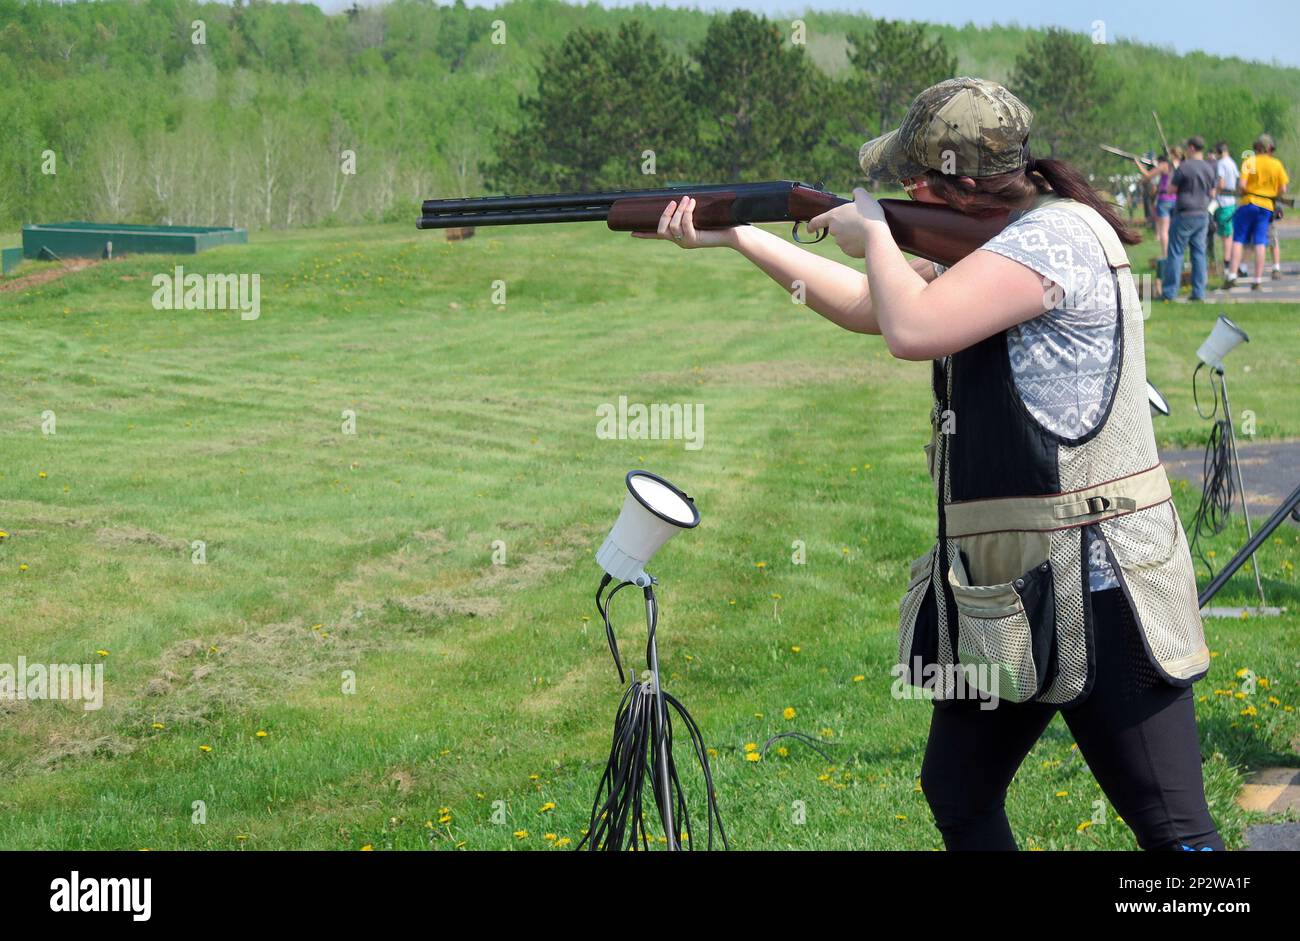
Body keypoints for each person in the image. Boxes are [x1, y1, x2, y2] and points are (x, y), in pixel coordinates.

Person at [636, 77, 1221, 852]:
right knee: (959, 790)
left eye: (904, 185)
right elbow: (865, 306)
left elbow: (910, 330)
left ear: (931, 184)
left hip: (1104, 580)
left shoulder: (1055, 239)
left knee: (1175, 833)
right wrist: (739, 234)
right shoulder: (1003, 242)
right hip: (1011, 585)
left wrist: (875, 231)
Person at [1225, 134, 1290, 290]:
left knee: (1239, 240)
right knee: (1260, 242)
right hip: (1266, 206)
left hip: (1248, 203)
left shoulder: (1249, 161)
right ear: (1269, 149)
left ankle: (1232, 275)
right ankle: (1257, 280)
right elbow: (1283, 189)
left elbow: (1242, 185)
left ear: (1257, 148)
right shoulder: (1277, 164)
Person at [1159, 136, 1217, 301]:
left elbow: (1170, 190)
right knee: (1199, 253)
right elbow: (1212, 192)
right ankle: (1199, 292)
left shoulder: (1184, 167)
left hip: (1185, 213)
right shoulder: (1209, 168)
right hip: (1202, 213)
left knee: (1176, 253)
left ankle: (1170, 292)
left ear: (1191, 148)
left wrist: (1174, 171)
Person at [1135, 151, 1179, 269]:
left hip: (1164, 199)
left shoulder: (1164, 165)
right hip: (1175, 199)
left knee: (1163, 231)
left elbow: (1147, 175)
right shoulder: (1176, 165)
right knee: (1173, 229)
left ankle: (1166, 255)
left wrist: (1138, 164)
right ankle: (1174, 254)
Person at [1213, 141, 1240, 279]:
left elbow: (1221, 183)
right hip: (1232, 202)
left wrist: (1214, 191)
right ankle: (1231, 263)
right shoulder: (1232, 162)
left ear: (1219, 152)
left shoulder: (1222, 163)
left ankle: (1227, 264)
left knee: (1225, 237)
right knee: (1230, 234)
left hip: (1223, 203)